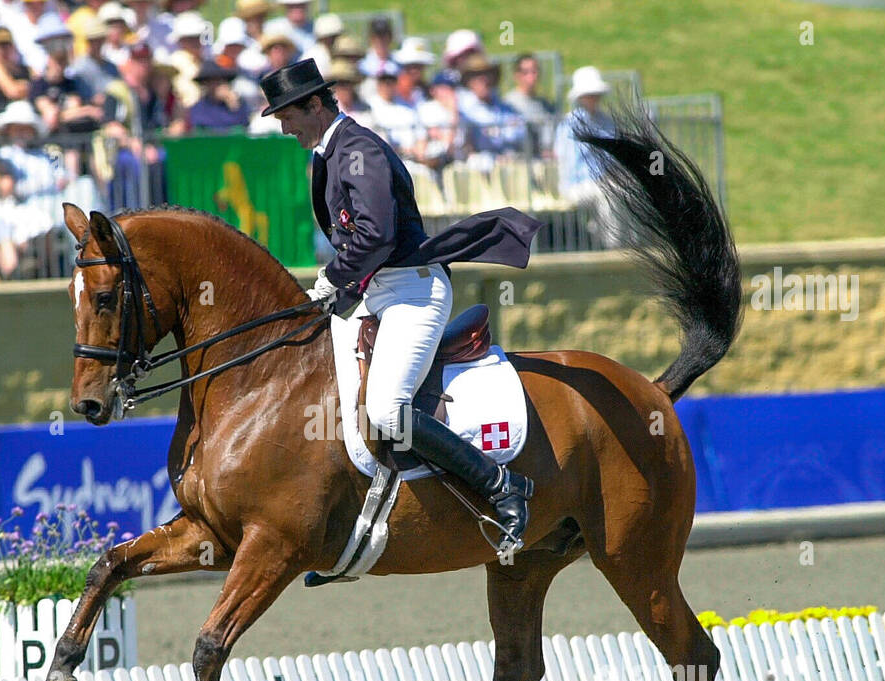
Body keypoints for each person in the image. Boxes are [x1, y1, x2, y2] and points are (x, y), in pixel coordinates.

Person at [259, 58, 540, 556]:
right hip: (375, 291)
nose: (285, 128)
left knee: (387, 411)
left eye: (287, 116)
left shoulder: (358, 150)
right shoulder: (332, 153)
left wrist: (332, 282)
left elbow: (377, 234)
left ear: (315, 104)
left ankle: (502, 485)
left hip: (412, 292)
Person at [554, 65, 619, 247]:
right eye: (589, 94)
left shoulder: (607, 121)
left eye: (595, 93)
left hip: (605, 182)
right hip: (576, 185)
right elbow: (569, 165)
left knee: (630, 192)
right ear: (580, 97)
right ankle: (613, 248)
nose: (593, 98)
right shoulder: (570, 123)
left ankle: (634, 245)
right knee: (606, 193)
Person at [503, 53, 555, 158]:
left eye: (534, 71)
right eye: (525, 72)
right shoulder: (508, 104)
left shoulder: (545, 105)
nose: (531, 76)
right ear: (516, 75)